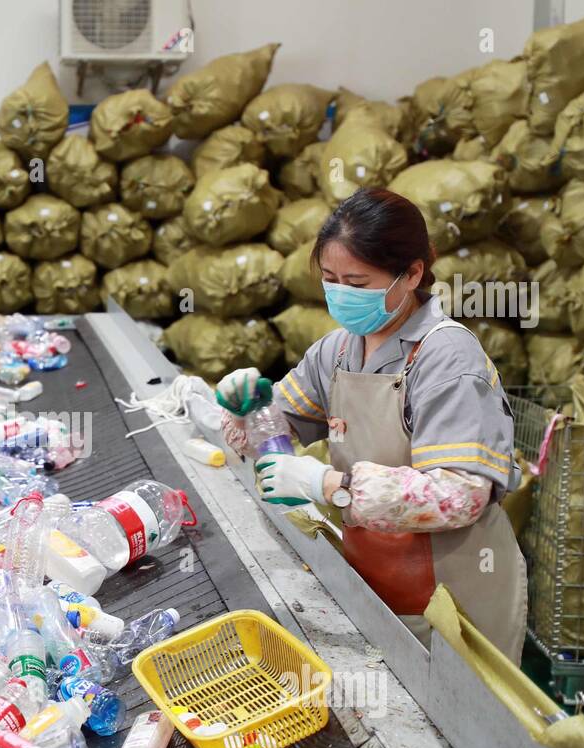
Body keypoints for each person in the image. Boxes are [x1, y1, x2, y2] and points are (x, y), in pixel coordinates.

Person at [218, 187, 526, 661]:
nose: (341, 294)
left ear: (413, 274)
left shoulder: (447, 357)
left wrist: (334, 486)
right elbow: (280, 429)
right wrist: (251, 409)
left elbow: (460, 496)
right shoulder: (337, 350)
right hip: (376, 578)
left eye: (358, 283)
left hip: (454, 596)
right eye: (330, 279)